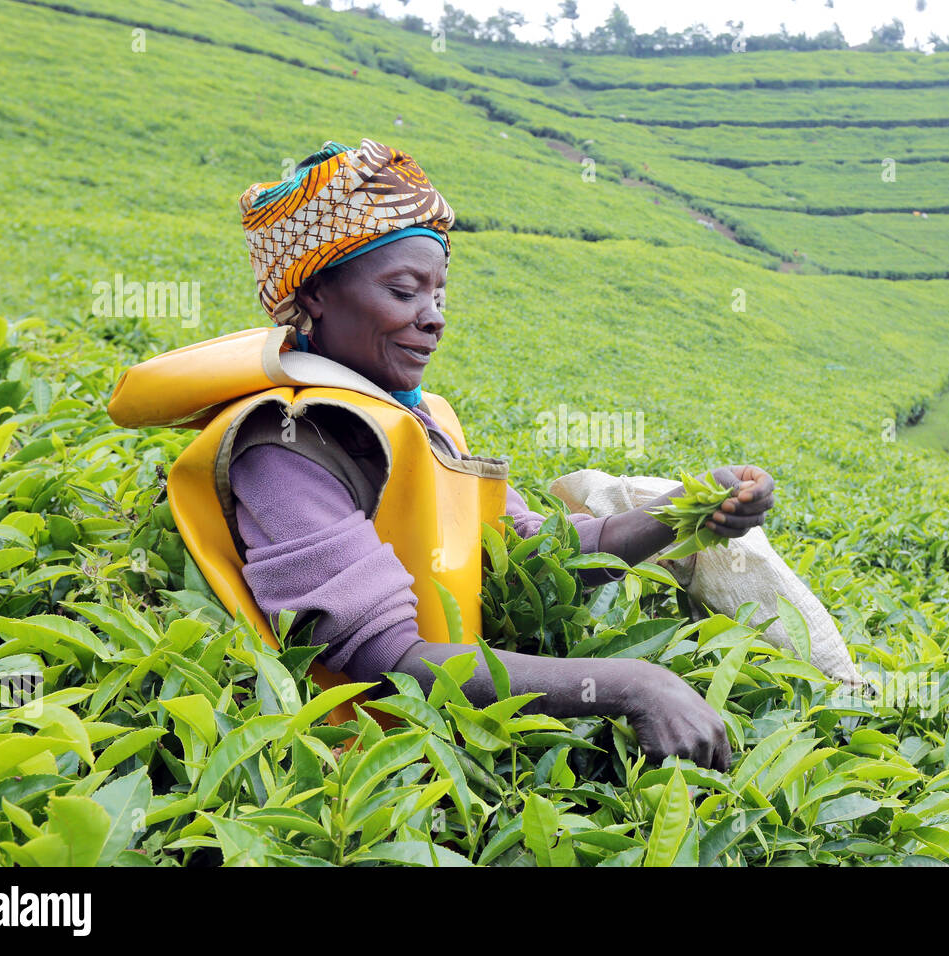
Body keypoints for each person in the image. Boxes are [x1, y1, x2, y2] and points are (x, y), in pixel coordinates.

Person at [114, 139, 777, 773]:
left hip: (456, 743)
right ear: (315, 294)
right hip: (358, 772)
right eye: (404, 292)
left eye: (438, 294)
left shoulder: (422, 417)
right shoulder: (285, 443)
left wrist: (687, 511)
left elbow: (532, 562)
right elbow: (390, 661)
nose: (433, 317)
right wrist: (631, 685)